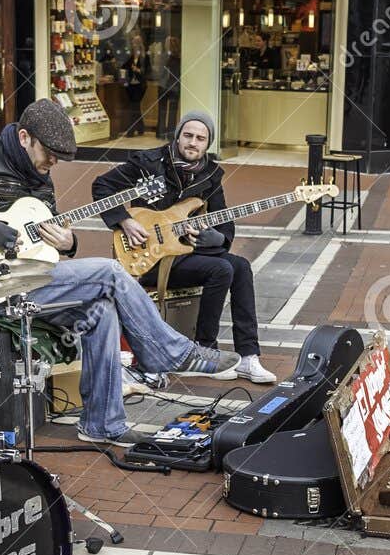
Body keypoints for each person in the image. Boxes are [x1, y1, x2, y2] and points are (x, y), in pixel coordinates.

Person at [0, 99, 238, 446]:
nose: (52, 163)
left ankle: (102, 424)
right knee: (110, 272)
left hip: (27, 279)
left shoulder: (39, 176)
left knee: (101, 311)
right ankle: (171, 352)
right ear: (24, 137)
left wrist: (68, 243)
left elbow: (45, 241)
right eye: (49, 153)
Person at [93, 110, 276, 384]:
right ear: (178, 137)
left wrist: (217, 239)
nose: (193, 142)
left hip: (181, 252)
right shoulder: (148, 162)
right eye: (188, 135)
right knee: (221, 269)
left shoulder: (211, 174)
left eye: (200, 138)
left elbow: (224, 221)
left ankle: (248, 356)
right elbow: (102, 185)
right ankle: (204, 352)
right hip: (147, 256)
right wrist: (125, 221)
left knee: (241, 266)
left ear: (207, 144)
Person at [157, 36, 182, 136]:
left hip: (165, 85)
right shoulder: (179, 58)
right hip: (173, 86)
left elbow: (160, 71)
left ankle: (161, 132)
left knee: (162, 110)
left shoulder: (165, 57)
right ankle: (169, 132)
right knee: (172, 110)